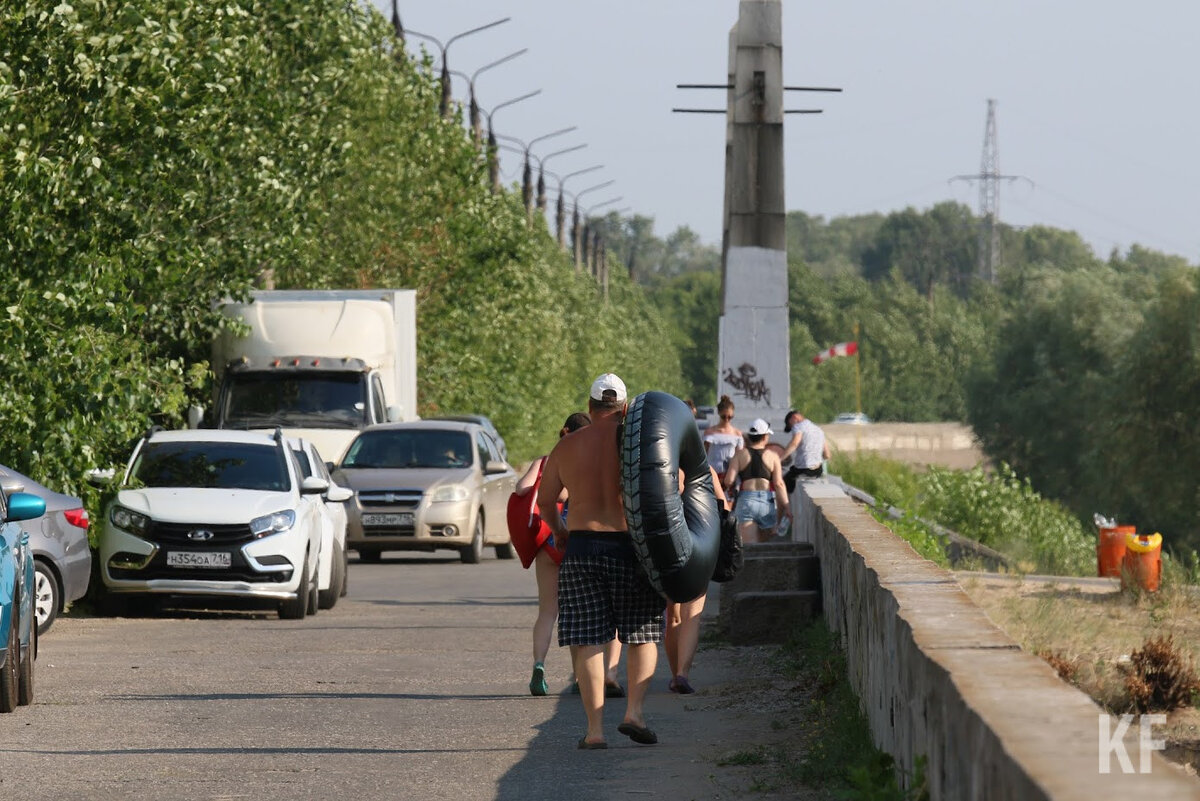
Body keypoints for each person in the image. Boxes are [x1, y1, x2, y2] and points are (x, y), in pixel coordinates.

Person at [538, 373, 663, 749]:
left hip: (581, 548)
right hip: (631, 548)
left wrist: (560, 530)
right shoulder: (638, 445)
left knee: (587, 639)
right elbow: (675, 485)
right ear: (624, 408)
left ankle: (595, 731)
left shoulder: (567, 446)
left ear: (590, 407)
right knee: (642, 635)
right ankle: (634, 713)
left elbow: (545, 502)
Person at [513, 413, 623, 698]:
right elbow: (565, 496)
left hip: (547, 542)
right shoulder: (587, 457)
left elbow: (522, 488)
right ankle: (583, 676)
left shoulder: (546, 459)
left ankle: (539, 665)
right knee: (583, 613)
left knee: (547, 613)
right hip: (575, 539)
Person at [663, 466, 729, 695]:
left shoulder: (662, 465)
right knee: (692, 616)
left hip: (669, 547)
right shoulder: (704, 468)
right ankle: (682, 674)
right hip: (700, 545)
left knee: (673, 616)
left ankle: (674, 675)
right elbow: (724, 507)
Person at [723, 418, 790, 544]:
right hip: (766, 502)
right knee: (764, 544)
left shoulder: (739, 455)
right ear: (765, 437)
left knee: (749, 546)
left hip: (746, 501)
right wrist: (787, 507)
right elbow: (779, 484)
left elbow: (729, 481)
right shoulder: (773, 456)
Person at [780, 409, 832, 493]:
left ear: (795, 417)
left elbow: (794, 443)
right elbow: (827, 455)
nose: (792, 428)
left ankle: (786, 505)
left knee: (783, 484)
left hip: (804, 469)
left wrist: (780, 459)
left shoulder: (798, 426)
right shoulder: (818, 429)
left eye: (790, 425)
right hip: (818, 470)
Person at [703, 395, 743, 476]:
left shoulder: (737, 433)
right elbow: (703, 454)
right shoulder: (709, 432)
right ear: (719, 413)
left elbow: (739, 456)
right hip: (712, 472)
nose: (727, 419)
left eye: (730, 417)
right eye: (723, 417)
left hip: (729, 472)